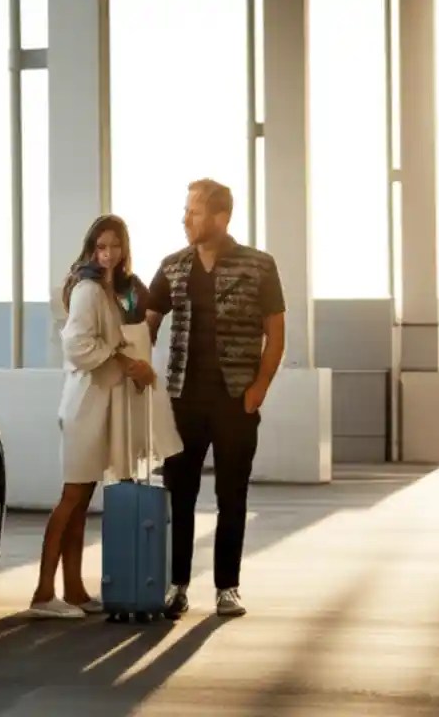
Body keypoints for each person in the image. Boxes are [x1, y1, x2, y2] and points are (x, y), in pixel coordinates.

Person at [146, 178, 286, 618]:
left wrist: (258, 390)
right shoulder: (172, 267)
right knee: (179, 495)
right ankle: (177, 586)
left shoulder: (259, 266)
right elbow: (146, 325)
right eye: (186, 210)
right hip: (183, 402)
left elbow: (276, 333)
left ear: (221, 218)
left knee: (232, 495)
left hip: (234, 401)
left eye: (194, 211)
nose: (185, 219)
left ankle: (228, 587)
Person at [30, 215, 156, 618]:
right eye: (101, 247)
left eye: (115, 246)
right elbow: (78, 346)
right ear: (91, 249)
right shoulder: (87, 289)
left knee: (81, 500)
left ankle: (74, 590)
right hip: (84, 402)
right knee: (71, 497)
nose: (108, 254)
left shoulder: (112, 290)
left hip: (97, 401)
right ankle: (43, 594)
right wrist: (125, 361)